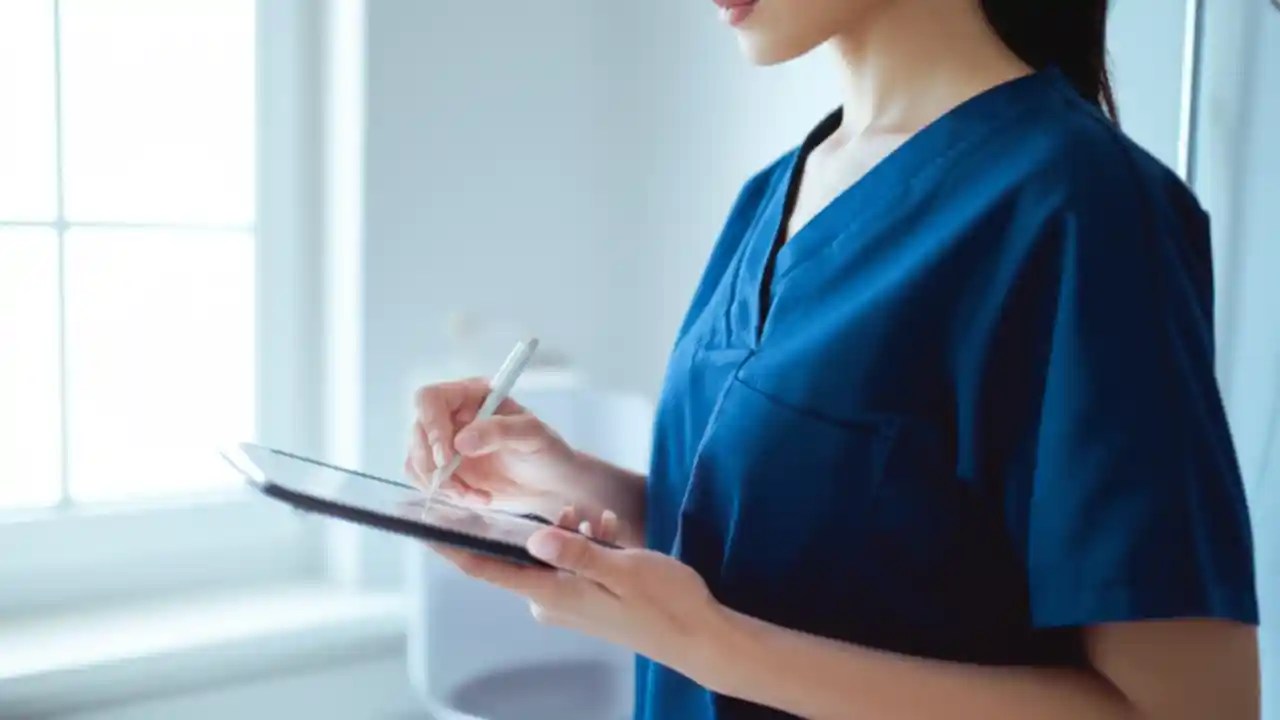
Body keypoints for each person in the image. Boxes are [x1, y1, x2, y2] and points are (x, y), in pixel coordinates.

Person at [405, 0, 1261, 717]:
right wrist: (575, 486)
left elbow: (1187, 708)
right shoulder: (774, 195)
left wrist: (710, 646)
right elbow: (815, 548)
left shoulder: (1082, 211)